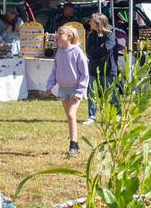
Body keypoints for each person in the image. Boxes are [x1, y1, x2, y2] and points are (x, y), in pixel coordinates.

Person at [45, 24, 89, 157]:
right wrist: (49, 85)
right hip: (63, 89)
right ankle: (74, 143)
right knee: (70, 118)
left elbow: (84, 73)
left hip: (75, 89)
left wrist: (80, 91)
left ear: (69, 36)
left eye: (60, 34)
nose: (57, 36)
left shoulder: (77, 51)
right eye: (57, 34)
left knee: (71, 115)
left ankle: (73, 145)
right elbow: (55, 71)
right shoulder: (59, 52)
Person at [84, 12, 118, 123]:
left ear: (98, 22)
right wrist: (99, 48)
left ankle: (118, 114)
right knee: (92, 93)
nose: (89, 22)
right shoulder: (90, 35)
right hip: (93, 68)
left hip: (108, 69)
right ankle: (91, 116)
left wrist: (96, 49)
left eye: (92, 20)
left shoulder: (110, 35)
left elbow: (107, 48)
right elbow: (88, 51)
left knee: (111, 93)